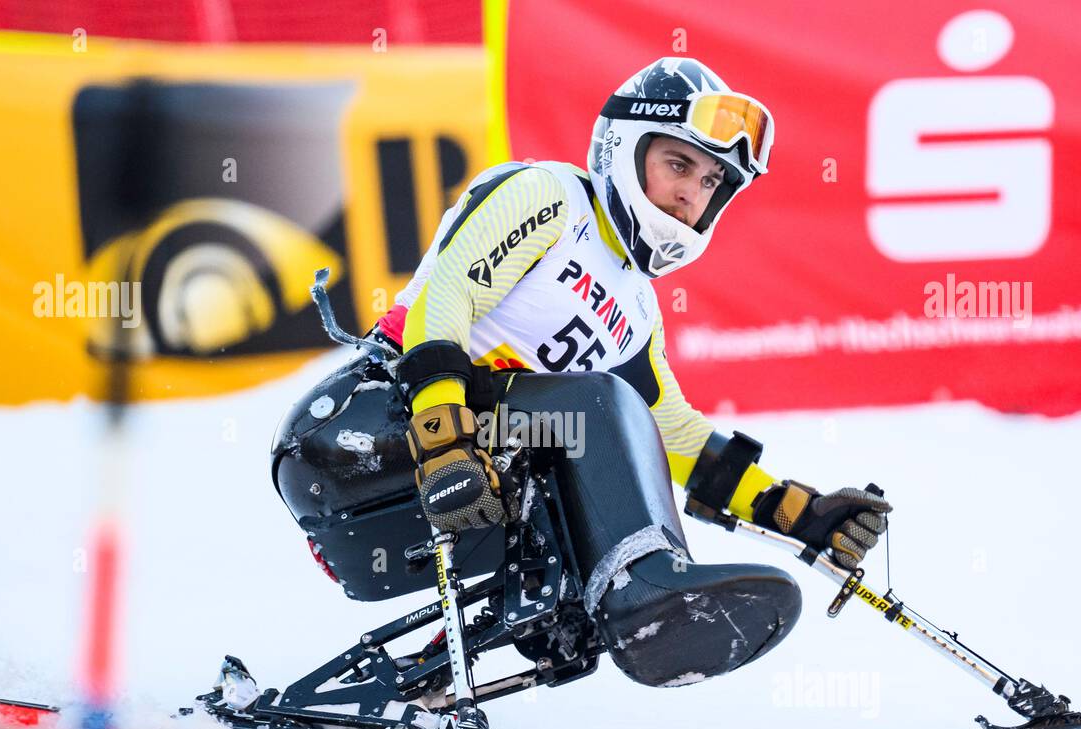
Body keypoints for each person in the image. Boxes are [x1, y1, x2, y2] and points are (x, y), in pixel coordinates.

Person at [272, 57, 891, 688]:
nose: (690, 193)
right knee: (595, 408)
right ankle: (647, 588)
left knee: (601, 449)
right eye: (679, 165)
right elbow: (448, 296)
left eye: (711, 183)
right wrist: (441, 432)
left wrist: (787, 507)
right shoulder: (551, 197)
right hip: (366, 432)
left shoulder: (637, 305)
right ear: (624, 149)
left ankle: (432, 679)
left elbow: (665, 427)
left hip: (480, 468)